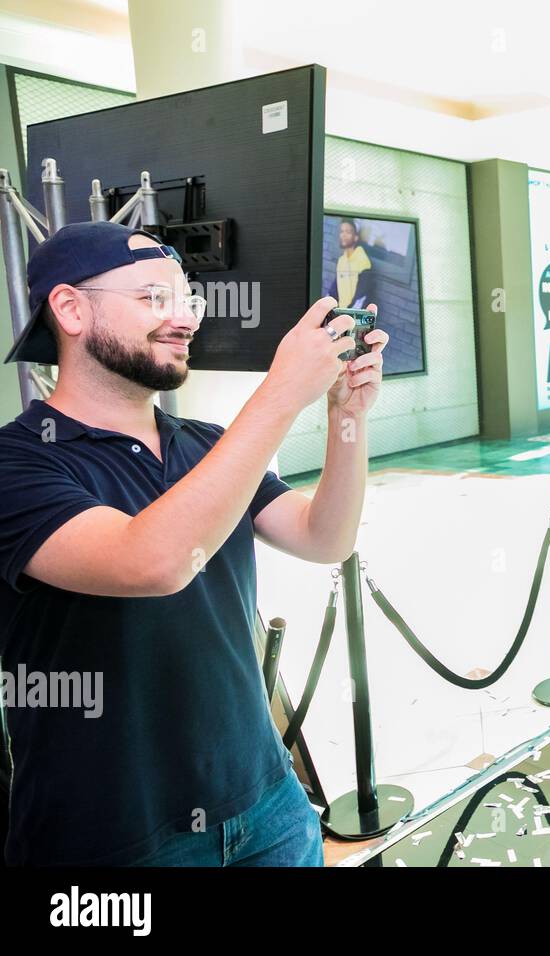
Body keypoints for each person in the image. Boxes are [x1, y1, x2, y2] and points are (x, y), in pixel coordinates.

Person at [0, 220, 388, 866]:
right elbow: (151, 560)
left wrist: (346, 421)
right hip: (113, 845)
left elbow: (327, 537)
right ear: (69, 309)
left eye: (189, 301)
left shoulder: (206, 447)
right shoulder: (20, 464)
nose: (184, 320)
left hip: (268, 808)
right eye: (155, 299)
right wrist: (282, 391)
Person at [328, 217, 376, 309]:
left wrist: (348, 315)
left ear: (355, 237)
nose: (343, 235)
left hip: (351, 316)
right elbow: (334, 290)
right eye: (342, 231)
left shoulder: (363, 261)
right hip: (338, 313)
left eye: (348, 232)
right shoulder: (342, 260)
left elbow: (361, 297)